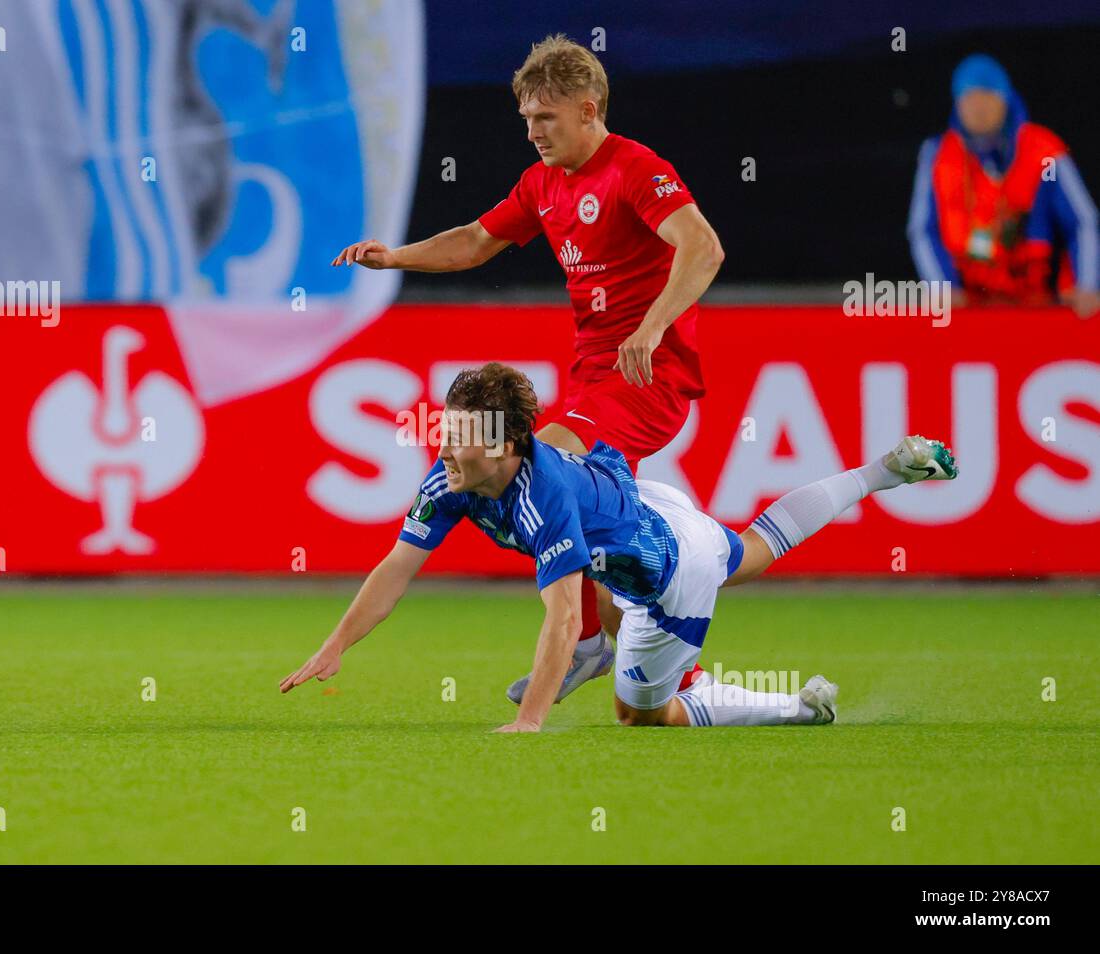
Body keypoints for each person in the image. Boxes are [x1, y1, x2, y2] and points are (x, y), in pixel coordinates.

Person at [331, 34, 726, 700]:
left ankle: (591, 644)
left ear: (588, 108)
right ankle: (642, 653)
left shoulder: (635, 168)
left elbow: (704, 246)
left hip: (644, 380)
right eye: (526, 121)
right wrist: (393, 257)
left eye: (546, 118)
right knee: (595, 514)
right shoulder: (542, 183)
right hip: (592, 377)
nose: (534, 133)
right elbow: (476, 242)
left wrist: (652, 328)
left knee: (537, 467)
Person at [280, 364, 960, 732]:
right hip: (643, 509)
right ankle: (883, 473)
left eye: (461, 437)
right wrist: (337, 643)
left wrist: (530, 721)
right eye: (445, 431)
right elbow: (397, 567)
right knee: (742, 553)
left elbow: (560, 615)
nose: (445, 448)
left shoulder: (539, 493)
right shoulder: (454, 475)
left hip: (671, 570)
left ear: (508, 446)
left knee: (643, 714)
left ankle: (800, 708)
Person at [908, 53, 1099, 318]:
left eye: (987, 96)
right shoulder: (937, 154)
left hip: (1037, 303)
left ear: (1005, 99)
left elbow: (1083, 221)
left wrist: (1087, 284)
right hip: (968, 304)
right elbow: (922, 229)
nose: (978, 108)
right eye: (969, 98)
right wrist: (942, 287)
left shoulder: (1044, 152)